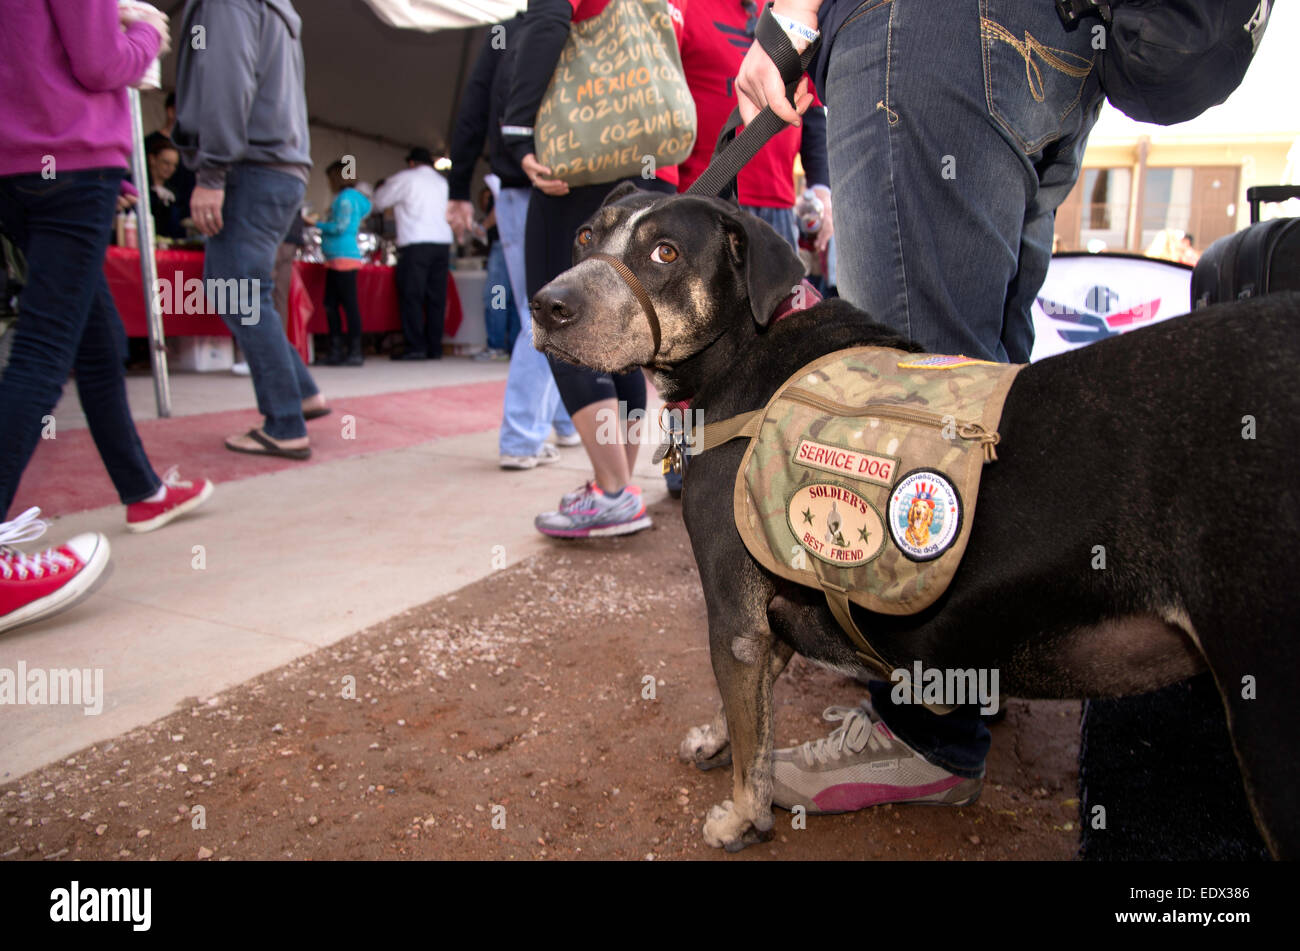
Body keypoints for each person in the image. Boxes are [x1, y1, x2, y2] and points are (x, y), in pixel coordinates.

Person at [734, 1, 1106, 810]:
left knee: (907, 405)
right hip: (1059, 47)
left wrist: (790, 24)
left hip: (925, 37)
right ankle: (978, 668)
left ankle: (927, 731)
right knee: (985, 392)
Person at [0, 0, 213, 634]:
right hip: (71, 158)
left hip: (16, 165)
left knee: (97, 338)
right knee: (43, 351)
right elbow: (100, 65)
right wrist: (148, 31)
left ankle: (143, 490)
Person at [502, 0, 687, 537]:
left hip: (582, 167)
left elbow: (547, 21)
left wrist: (517, 132)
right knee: (622, 331)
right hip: (653, 171)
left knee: (562, 321)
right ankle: (619, 486)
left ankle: (611, 492)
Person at [173, 0, 329, 459]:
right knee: (242, 291)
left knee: (235, 291)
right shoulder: (275, 9)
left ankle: (285, 422)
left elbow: (226, 82)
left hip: (250, 166)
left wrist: (211, 173)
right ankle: (299, 393)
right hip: (279, 165)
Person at [445, 11, 579, 469]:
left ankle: (563, 419)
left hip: (515, 185)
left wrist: (459, 187)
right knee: (548, 308)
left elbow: (472, 109)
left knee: (552, 305)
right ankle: (522, 434)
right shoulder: (566, 20)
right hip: (556, 181)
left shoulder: (505, 32)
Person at [372, 147, 453, 361]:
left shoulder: (406, 178)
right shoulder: (443, 182)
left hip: (416, 243)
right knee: (436, 297)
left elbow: (379, 201)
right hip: (442, 243)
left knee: (412, 296)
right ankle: (434, 347)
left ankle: (416, 346)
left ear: (411, 163)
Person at [309, 159, 371, 366]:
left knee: (343, 305)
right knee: (334, 304)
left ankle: (352, 351)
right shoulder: (356, 198)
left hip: (343, 256)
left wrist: (316, 223)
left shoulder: (345, 199)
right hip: (340, 257)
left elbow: (340, 227)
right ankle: (343, 350)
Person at [474, 181, 519, 361]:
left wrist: (482, 226)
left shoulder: (501, 181)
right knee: (516, 300)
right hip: (519, 245)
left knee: (496, 297)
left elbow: (499, 209)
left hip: (503, 246)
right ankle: (514, 347)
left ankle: (496, 346)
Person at [143, 132, 186, 240]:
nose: (170, 169)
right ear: (152, 159)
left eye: (174, 165)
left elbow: (177, 229)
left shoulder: (174, 193)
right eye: (166, 163)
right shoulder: (136, 185)